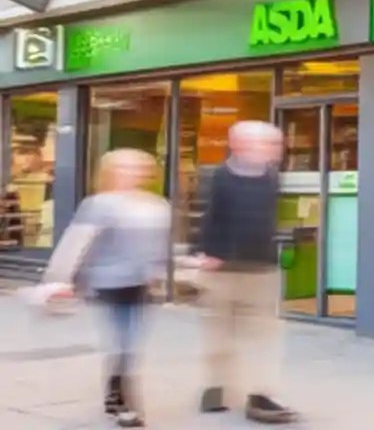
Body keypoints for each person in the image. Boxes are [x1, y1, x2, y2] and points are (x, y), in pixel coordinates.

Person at [38, 149, 171, 428]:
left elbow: (160, 247)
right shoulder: (98, 204)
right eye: (125, 168)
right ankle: (123, 401)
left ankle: (115, 390)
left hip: (142, 283)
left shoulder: (156, 205)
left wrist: (165, 274)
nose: (132, 173)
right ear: (111, 171)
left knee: (132, 343)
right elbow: (76, 242)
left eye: (137, 168)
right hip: (109, 281)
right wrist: (59, 279)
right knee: (124, 340)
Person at [195, 120, 296, 424]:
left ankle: (261, 395)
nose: (276, 151)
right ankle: (217, 387)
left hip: (262, 267)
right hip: (222, 268)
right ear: (240, 145)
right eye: (269, 144)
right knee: (220, 333)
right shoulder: (217, 177)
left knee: (266, 334)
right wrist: (208, 253)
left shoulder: (271, 177)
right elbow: (208, 217)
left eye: (276, 144)